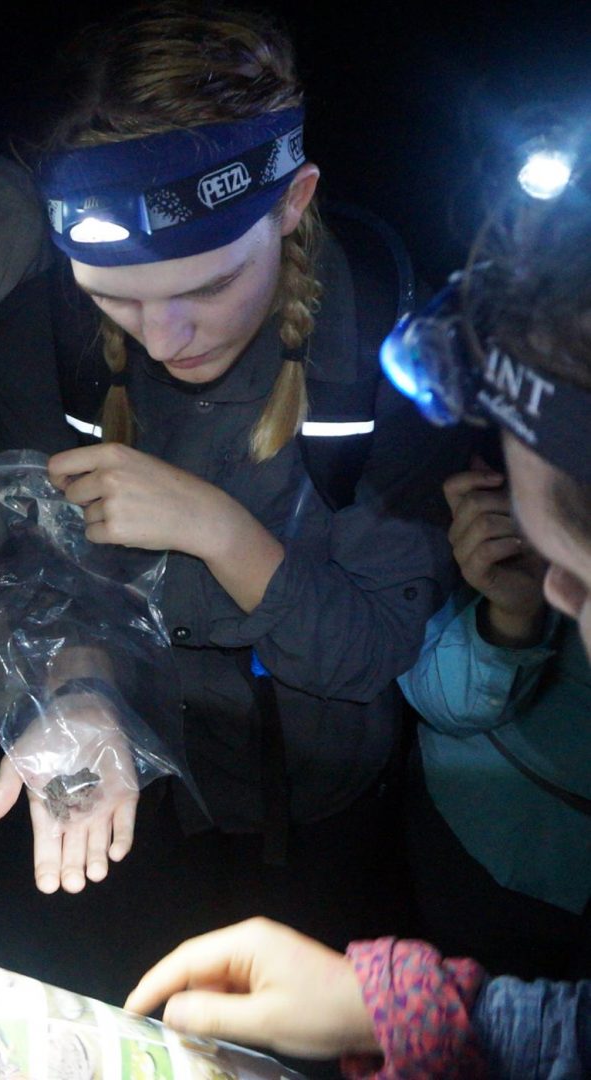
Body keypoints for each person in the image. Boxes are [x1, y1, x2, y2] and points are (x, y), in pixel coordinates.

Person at [0, 0, 464, 938]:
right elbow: (50, 579)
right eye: (113, 295)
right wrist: (78, 692)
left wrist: (214, 527)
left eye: (206, 286)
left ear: (292, 201)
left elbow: (371, 650)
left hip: (326, 799)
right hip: (143, 790)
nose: (163, 340)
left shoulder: (389, 343)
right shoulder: (38, 334)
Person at [123, 122, 591, 1080]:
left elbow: (373, 650)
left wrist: (219, 531)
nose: (563, 608)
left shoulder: (357, 330)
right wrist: (407, 1015)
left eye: (583, 578)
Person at [397, 448, 590, 980]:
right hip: (496, 847)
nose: (567, 590)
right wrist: (512, 614)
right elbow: (433, 689)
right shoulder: (496, 456)